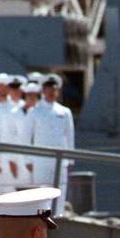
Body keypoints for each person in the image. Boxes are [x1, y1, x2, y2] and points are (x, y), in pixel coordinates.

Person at [30, 74, 76, 216]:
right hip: (41, 160)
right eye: (48, 89)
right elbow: (28, 137)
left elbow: (69, 136)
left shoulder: (64, 112)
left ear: (58, 91)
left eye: (54, 89)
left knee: (59, 191)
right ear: (42, 91)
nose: (51, 92)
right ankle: (41, 219)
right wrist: (28, 160)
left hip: (60, 160)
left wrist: (70, 158)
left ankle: (58, 217)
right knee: (41, 193)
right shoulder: (35, 111)